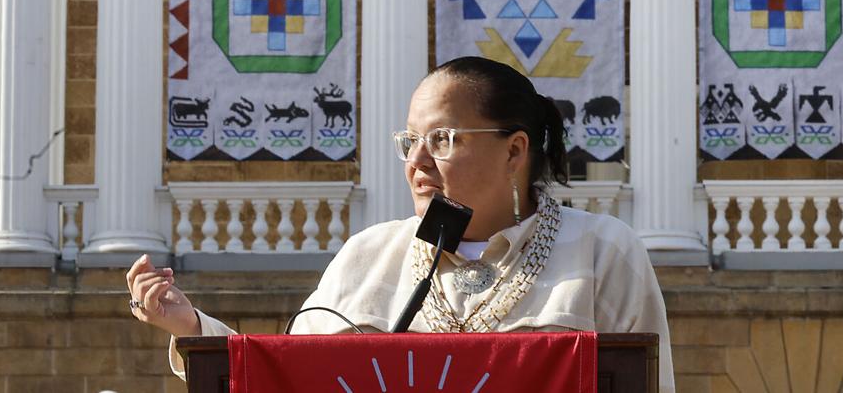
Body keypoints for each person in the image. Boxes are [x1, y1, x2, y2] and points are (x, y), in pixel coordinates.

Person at [127, 56, 675, 391]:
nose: (416, 162)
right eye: (409, 141)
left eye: (441, 139)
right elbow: (291, 376)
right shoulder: (368, 256)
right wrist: (195, 331)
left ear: (514, 150)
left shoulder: (602, 253)